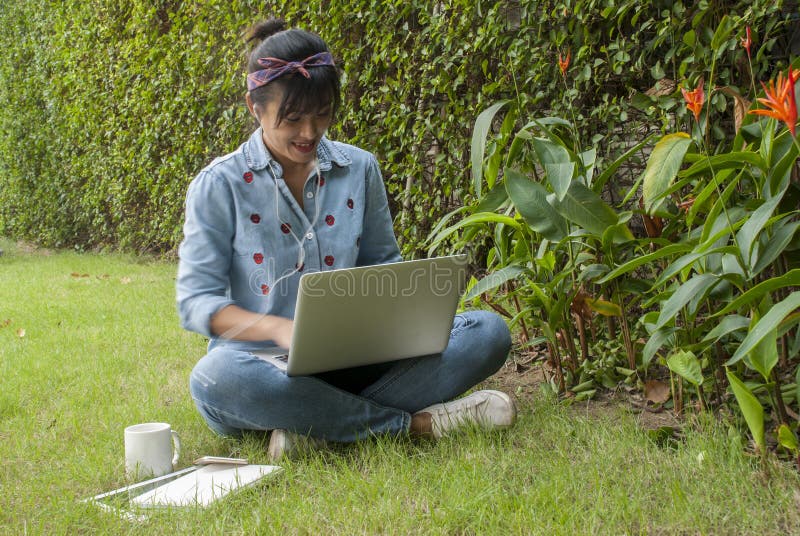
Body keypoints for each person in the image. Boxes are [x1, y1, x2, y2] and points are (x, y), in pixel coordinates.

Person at [177, 18, 516, 461]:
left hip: (359, 362)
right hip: (264, 370)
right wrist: (280, 330)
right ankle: (412, 424)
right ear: (254, 108)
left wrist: (405, 316)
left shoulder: (360, 168)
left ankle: (318, 428)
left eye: (322, 113)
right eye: (293, 119)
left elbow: (383, 263)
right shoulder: (218, 185)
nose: (309, 133)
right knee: (212, 378)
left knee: (488, 332)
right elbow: (196, 303)